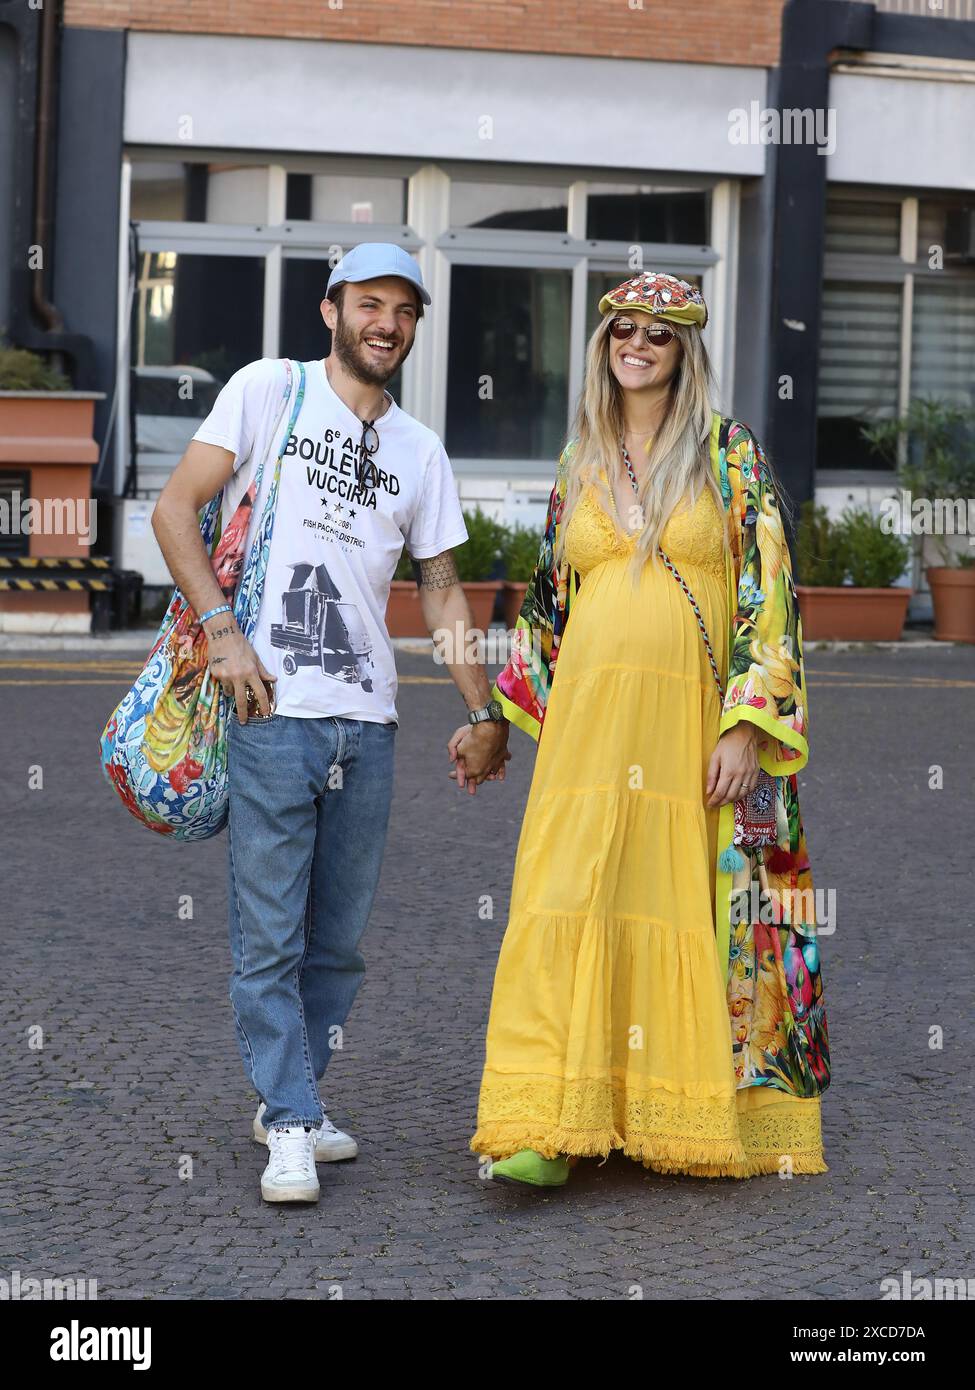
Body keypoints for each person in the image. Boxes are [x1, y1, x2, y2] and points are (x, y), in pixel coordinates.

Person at [152, 243, 510, 1203]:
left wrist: (481, 709)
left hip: (369, 725)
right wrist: (224, 633)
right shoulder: (269, 392)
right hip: (270, 711)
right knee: (267, 937)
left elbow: (440, 592)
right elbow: (175, 510)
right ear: (330, 310)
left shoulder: (418, 451)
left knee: (337, 944)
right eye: (368, 304)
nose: (384, 322)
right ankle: (295, 1124)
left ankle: (286, 1099)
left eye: (401, 309)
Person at [469, 271, 830, 1186]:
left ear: (684, 352)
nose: (636, 344)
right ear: (603, 345)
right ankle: (548, 1123)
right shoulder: (577, 458)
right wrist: (498, 726)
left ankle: (674, 1112)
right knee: (568, 894)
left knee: (680, 905)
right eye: (623, 329)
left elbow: (771, 598)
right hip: (587, 736)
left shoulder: (728, 455)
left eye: (658, 335)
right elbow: (547, 607)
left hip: (689, 729)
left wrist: (747, 729)